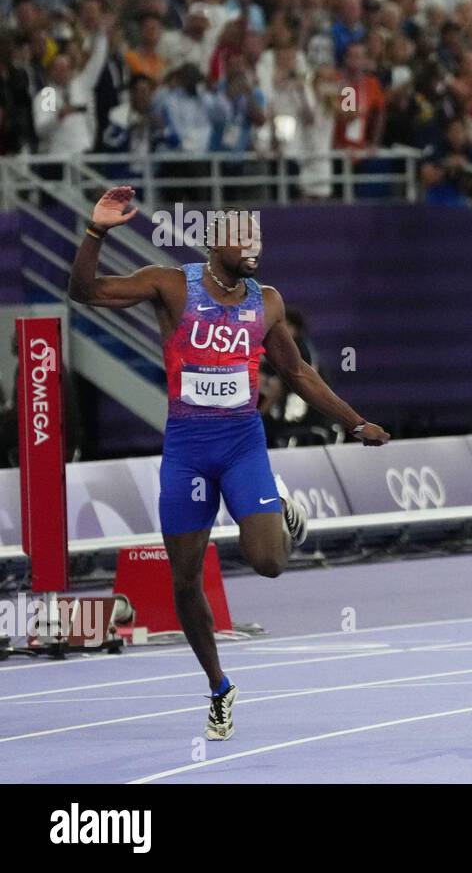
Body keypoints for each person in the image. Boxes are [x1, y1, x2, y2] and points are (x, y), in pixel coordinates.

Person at [67, 186, 390, 740]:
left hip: (242, 443)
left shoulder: (266, 301)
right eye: (245, 237)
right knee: (186, 582)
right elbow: (85, 291)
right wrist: (96, 231)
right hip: (189, 449)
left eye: (259, 237)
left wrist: (354, 422)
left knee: (268, 561)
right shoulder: (170, 284)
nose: (255, 246)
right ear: (216, 241)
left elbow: (299, 374)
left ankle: (282, 511)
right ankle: (219, 686)